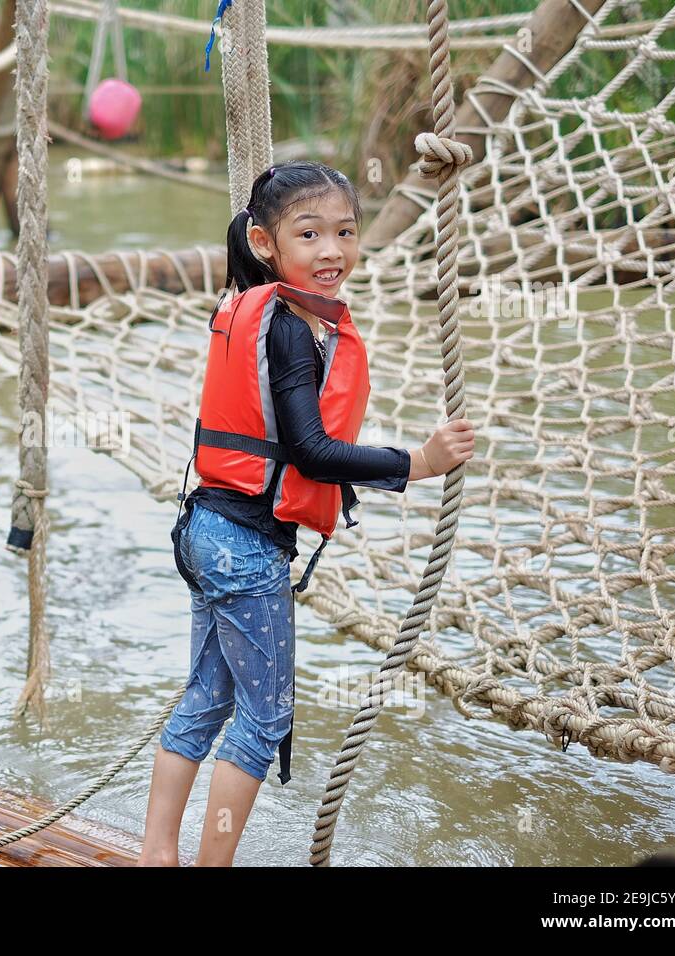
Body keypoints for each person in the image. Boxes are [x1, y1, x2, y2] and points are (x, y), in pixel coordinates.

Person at [137, 161, 476, 866]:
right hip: (245, 547)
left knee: (206, 698)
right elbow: (312, 451)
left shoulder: (251, 305)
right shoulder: (290, 328)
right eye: (310, 233)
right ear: (266, 244)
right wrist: (418, 461)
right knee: (264, 720)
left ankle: (156, 854)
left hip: (205, 532)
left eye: (346, 232)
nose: (332, 251)